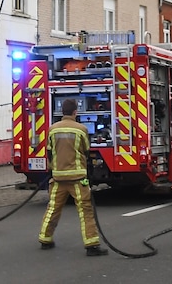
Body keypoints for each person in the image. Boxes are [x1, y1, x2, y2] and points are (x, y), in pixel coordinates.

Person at [38, 98, 109, 256]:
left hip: (58, 177)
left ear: (61, 111)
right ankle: (91, 245)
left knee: (53, 208)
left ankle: (45, 239)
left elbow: (49, 151)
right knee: (85, 210)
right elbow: (85, 150)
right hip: (77, 177)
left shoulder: (52, 129)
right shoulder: (81, 129)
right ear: (76, 112)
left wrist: (53, 168)